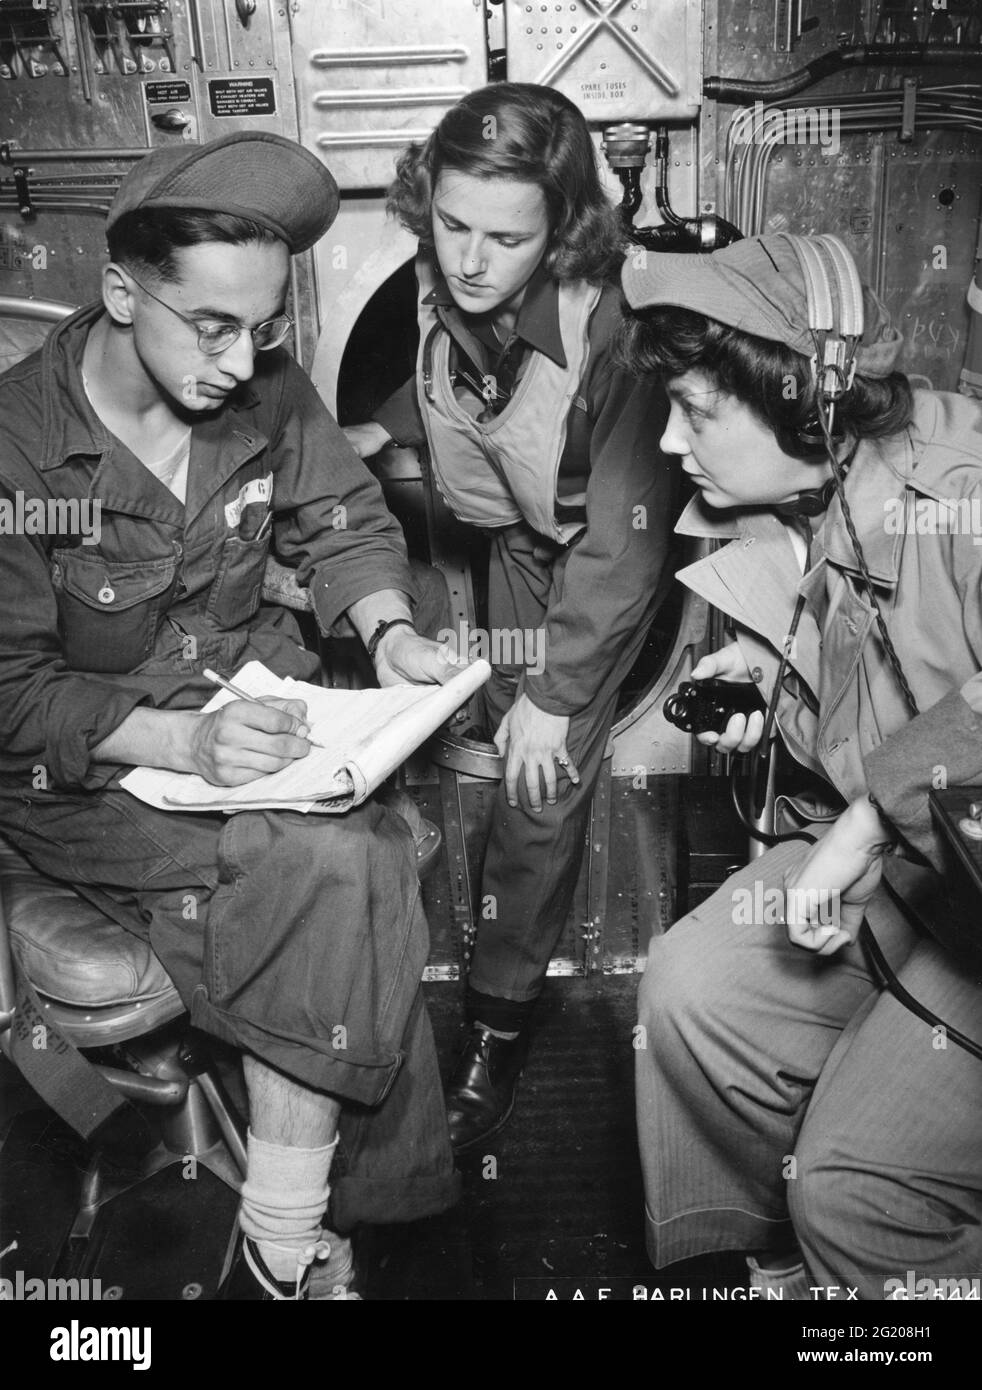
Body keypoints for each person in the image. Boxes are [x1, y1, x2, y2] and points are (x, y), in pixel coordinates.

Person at [0, 132, 462, 1300]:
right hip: (87, 765)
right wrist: (177, 740)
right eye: (211, 325)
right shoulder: (14, 446)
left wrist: (389, 632)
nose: (238, 358)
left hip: (244, 724)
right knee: (339, 869)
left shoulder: (261, 389)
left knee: (358, 852)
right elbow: (9, 688)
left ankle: (294, 1228)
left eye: (261, 328)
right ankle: (291, 1238)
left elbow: (346, 522)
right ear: (120, 292)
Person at [620, 233, 982, 1299]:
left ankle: (845, 1246)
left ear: (802, 397)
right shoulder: (827, 496)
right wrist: (774, 676)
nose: (673, 444)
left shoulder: (964, 489)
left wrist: (868, 825)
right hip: (920, 883)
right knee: (692, 989)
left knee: (858, 1189)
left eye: (695, 410)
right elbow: (885, 685)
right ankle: (782, 1262)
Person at [345, 83, 676, 1151]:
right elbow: (456, 404)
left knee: (535, 781)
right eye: (449, 226)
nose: (469, 259)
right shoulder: (438, 290)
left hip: (598, 563)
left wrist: (558, 692)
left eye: (504, 236)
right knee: (472, 735)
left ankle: (497, 1021)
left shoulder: (615, 327)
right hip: (513, 552)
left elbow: (624, 542)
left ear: (563, 229)